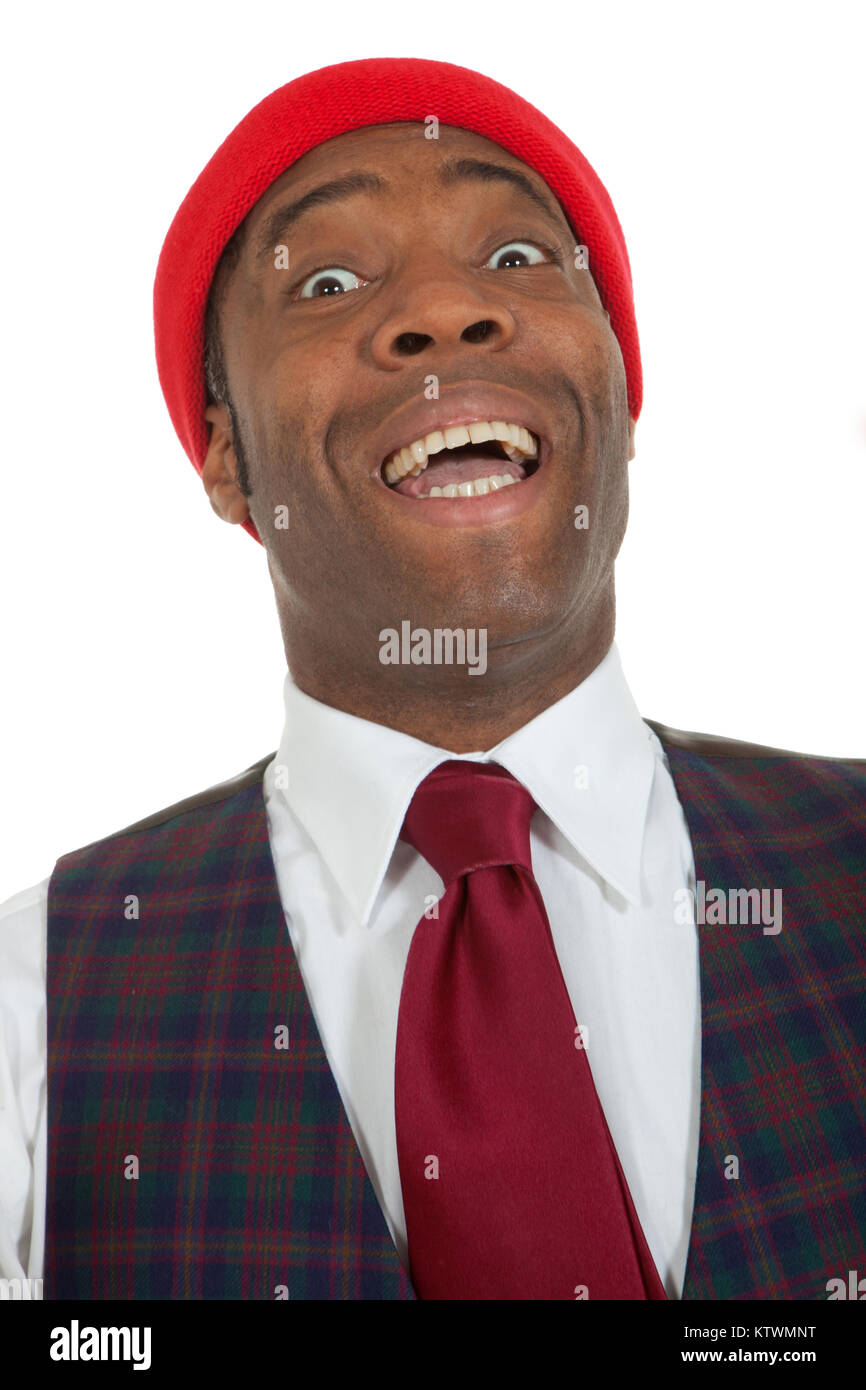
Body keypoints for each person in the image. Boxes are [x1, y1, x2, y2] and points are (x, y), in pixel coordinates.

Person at [1, 56, 863, 1303]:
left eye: (515, 257)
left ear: (620, 391)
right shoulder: (37, 1008)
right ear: (226, 458)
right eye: (330, 281)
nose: (446, 314)